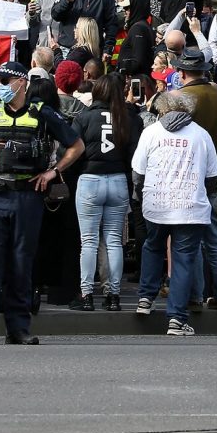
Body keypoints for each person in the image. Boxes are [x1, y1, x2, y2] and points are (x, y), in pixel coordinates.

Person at [0, 62, 84, 345]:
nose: (1, 85)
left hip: (28, 197)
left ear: (21, 83)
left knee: (21, 263)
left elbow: (77, 145)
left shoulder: (42, 114)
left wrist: (53, 171)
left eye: (6, 80)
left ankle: (18, 328)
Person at [131, 90, 217, 336]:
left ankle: (145, 299)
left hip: (157, 203)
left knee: (153, 246)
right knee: (183, 260)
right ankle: (176, 319)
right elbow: (213, 176)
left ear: (162, 109)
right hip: (190, 206)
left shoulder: (151, 132)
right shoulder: (201, 135)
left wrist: (141, 193)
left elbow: (137, 171)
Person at [173, 48, 217, 309]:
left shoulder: (181, 99)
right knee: (215, 237)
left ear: (182, 73)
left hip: (190, 176)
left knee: (190, 239)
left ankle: (195, 295)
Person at [71, 75, 143, 311]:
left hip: (90, 178)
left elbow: (73, 151)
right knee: (114, 241)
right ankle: (113, 295)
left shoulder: (84, 117)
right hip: (118, 179)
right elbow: (135, 157)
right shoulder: (129, 118)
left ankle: (86, 294)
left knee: (89, 241)